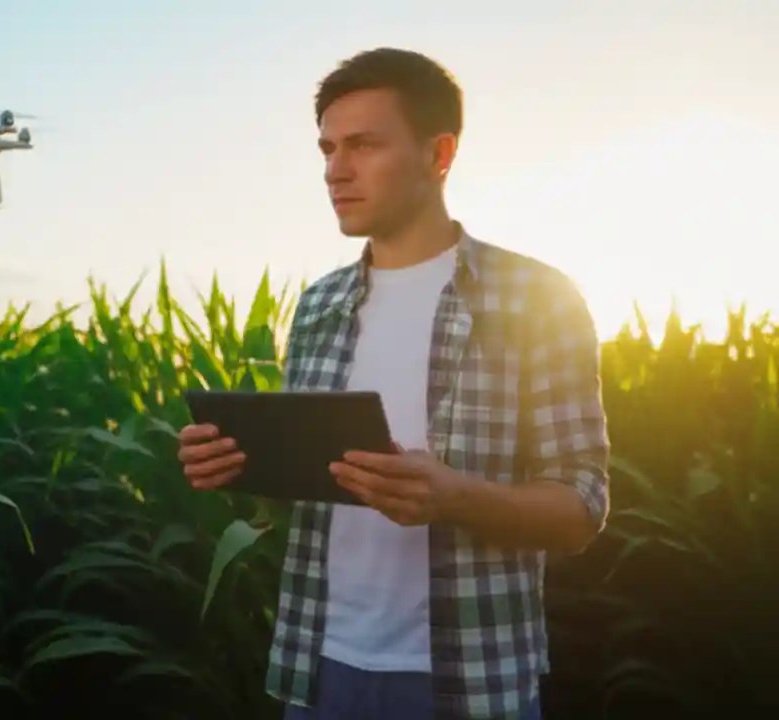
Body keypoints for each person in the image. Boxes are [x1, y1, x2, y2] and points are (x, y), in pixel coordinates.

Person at [177, 47, 610, 720]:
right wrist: (238, 464)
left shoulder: (536, 298)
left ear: (440, 155)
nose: (334, 171)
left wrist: (455, 496)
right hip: (319, 667)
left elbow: (582, 508)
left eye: (363, 145)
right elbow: (314, 489)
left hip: (469, 678)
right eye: (326, 149)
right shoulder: (318, 305)